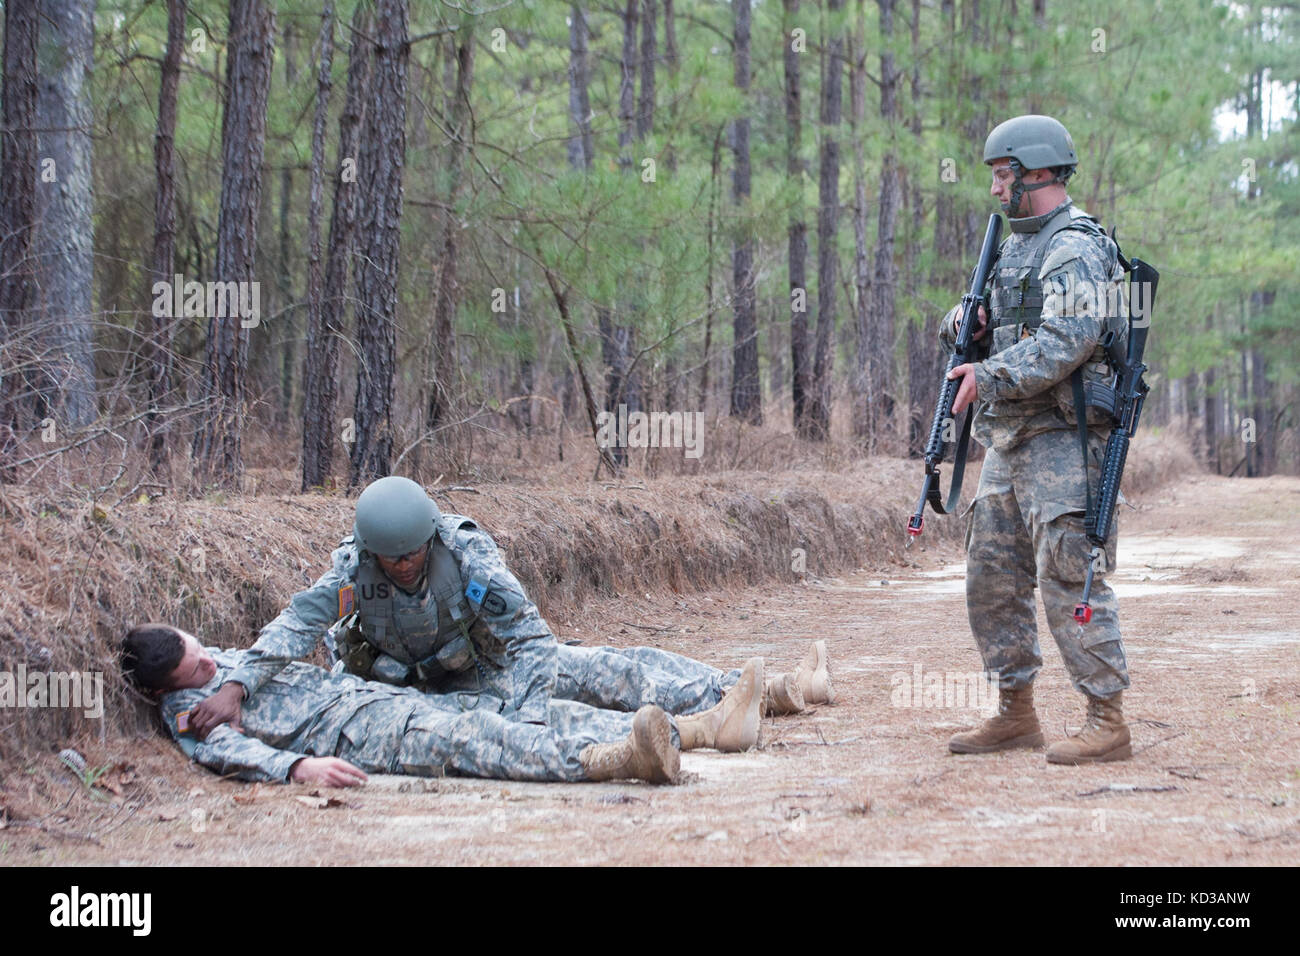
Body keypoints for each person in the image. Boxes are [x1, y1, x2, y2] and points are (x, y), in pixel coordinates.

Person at [185, 476, 834, 753]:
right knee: (572, 715)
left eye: (414, 554)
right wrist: (239, 685)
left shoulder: (464, 556)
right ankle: (707, 727)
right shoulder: (355, 568)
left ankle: (767, 691)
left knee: (602, 668)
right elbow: (298, 622)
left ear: (430, 540)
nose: (404, 566)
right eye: (393, 560)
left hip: (484, 669)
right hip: (402, 696)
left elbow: (527, 636)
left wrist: (526, 711)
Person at [941, 114, 1133, 764]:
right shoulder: (1013, 245)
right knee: (990, 576)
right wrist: (964, 321)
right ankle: (1014, 711)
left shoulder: (1073, 245)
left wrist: (987, 374)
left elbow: (1068, 341)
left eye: (1002, 176)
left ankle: (1106, 717)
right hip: (1010, 438)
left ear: (1037, 173)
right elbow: (985, 319)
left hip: (1063, 438)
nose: (996, 191)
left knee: (1069, 574)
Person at [123, 623, 679, 786]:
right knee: (475, 741)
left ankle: (671, 732)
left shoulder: (215, 664)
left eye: (202, 649)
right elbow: (224, 753)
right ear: (160, 690)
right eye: (195, 668)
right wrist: (298, 766)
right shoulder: (187, 712)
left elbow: (273, 645)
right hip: (360, 735)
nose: (210, 664)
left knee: (490, 710)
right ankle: (612, 761)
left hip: (375, 698)